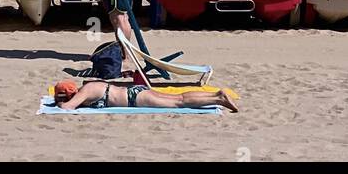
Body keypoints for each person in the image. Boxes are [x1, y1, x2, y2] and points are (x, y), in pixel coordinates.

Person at [52, 79, 237, 113]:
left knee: (179, 103)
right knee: (177, 98)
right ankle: (215, 95)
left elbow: (68, 108)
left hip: (135, 99)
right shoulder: (88, 88)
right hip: (136, 92)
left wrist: (59, 104)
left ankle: (217, 98)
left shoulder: (84, 92)